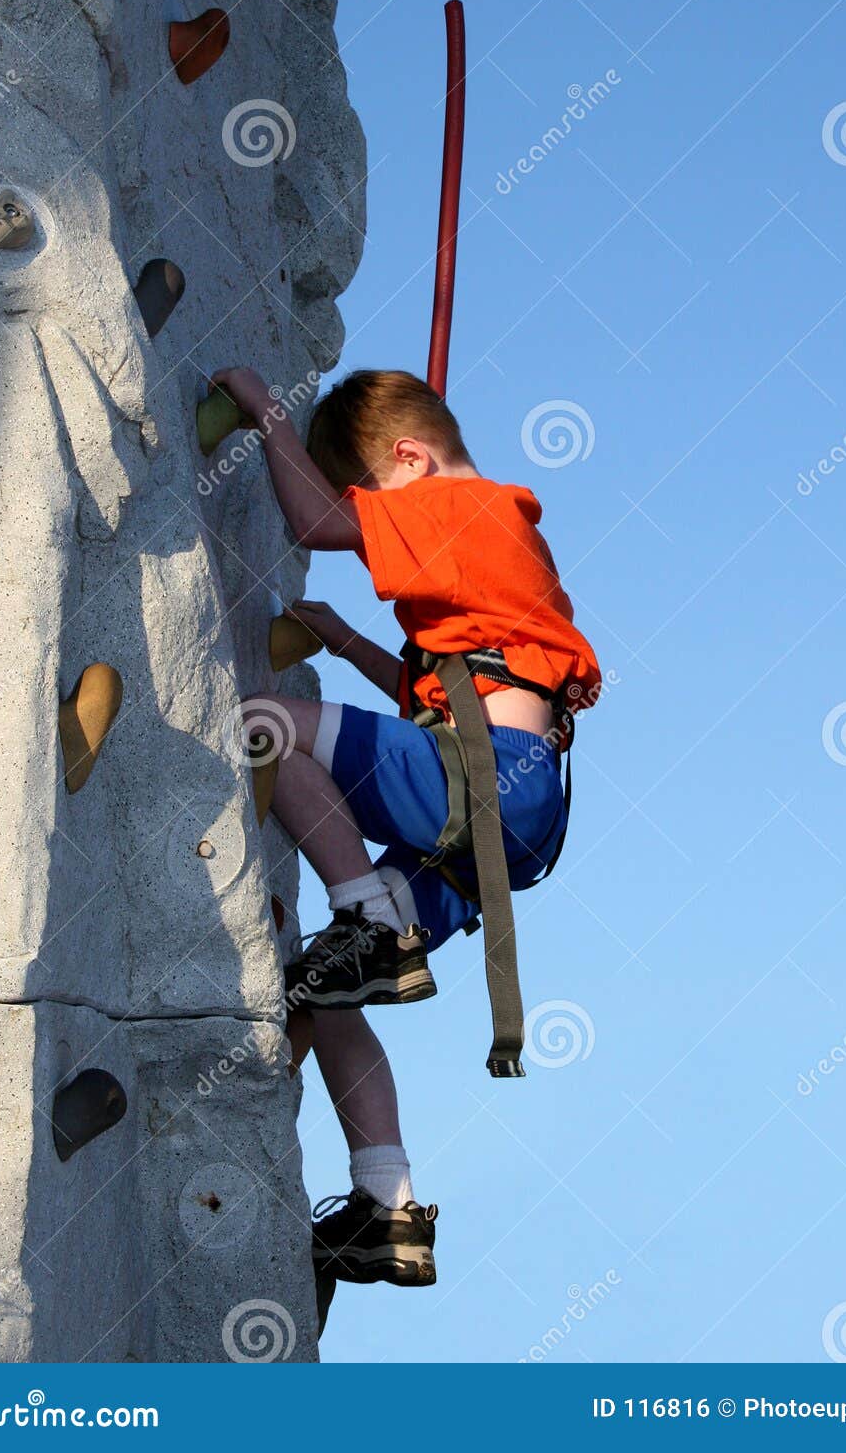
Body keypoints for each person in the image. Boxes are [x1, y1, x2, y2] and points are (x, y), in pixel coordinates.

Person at [211, 366, 601, 1291]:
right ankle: (385, 1207)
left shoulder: (461, 504)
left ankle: (369, 921)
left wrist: (268, 416)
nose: (377, 516)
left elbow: (317, 524)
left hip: (486, 782)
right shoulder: (490, 554)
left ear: (408, 459)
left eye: (375, 491)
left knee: (262, 725)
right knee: (324, 992)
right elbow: (448, 701)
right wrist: (349, 642)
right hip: (505, 815)